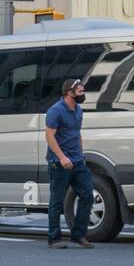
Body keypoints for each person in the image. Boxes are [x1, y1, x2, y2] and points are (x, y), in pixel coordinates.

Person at [45, 77, 95, 249]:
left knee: (88, 195)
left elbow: (77, 133)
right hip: (59, 163)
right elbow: (49, 136)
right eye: (80, 91)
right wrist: (61, 157)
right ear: (69, 93)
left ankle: (78, 235)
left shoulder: (79, 110)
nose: (83, 94)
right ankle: (54, 238)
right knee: (57, 201)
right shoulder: (56, 110)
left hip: (77, 162)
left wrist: (80, 154)